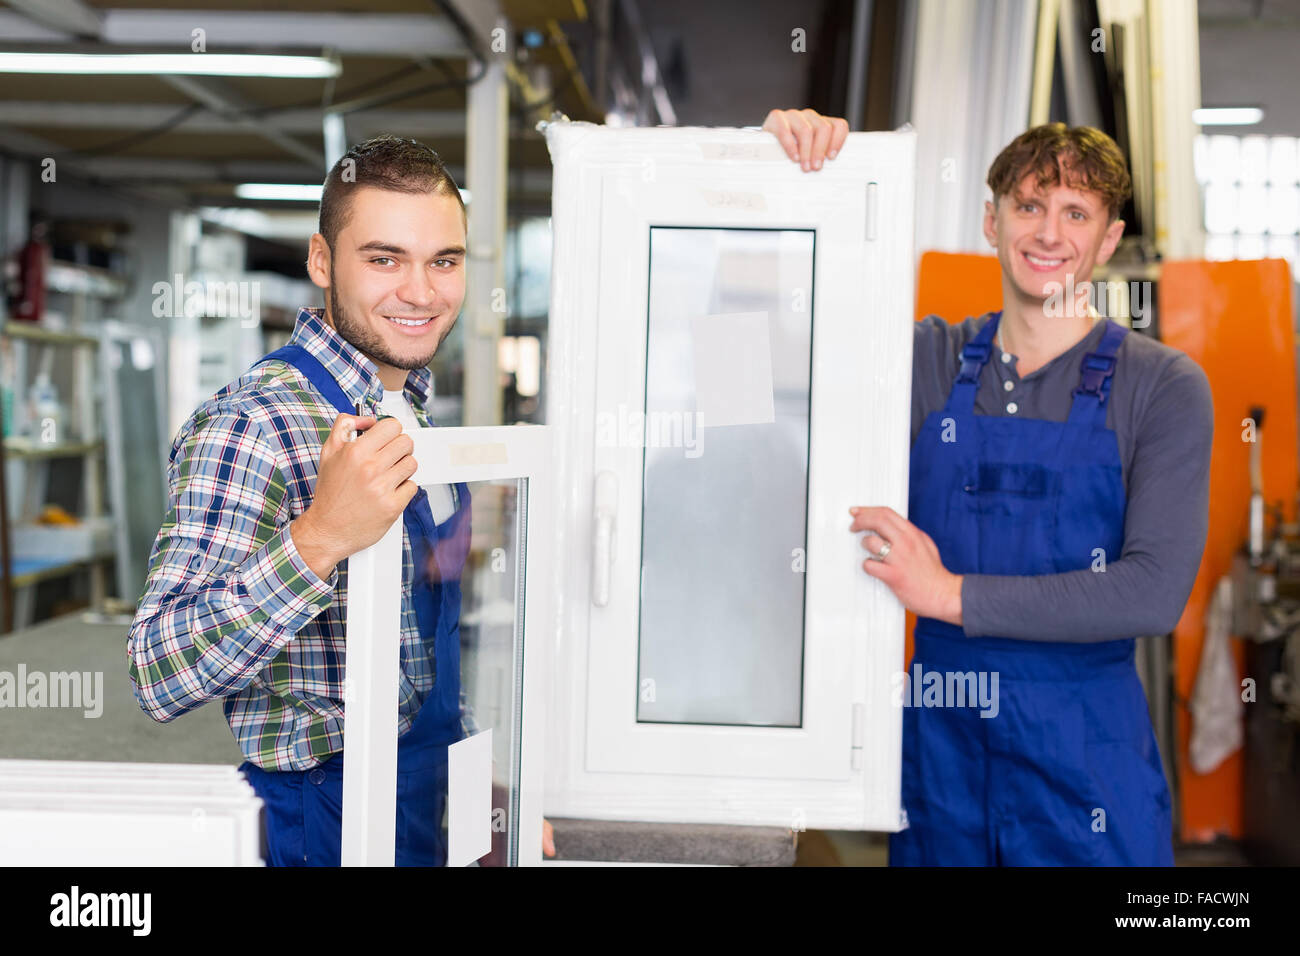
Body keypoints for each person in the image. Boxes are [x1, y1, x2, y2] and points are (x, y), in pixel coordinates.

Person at [762, 109, 1213, 865]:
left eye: (1076, 212)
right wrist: (780, 175)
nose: (1047, 233)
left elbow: (1151, 592)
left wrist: (949, 596)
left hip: (1087, 765)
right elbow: (750, 358)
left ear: (1107, 239)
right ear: (990, 221)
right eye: (1028, 206)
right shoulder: (925, 361)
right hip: (944, 759)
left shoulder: (1161, 385)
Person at [128, 135, 554, 866]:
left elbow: (422, 650)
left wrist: (479, 782)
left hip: (423, 803)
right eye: (384, 259)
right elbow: (158, 671)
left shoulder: (414, 416)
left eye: (443, 261)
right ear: (322, 261)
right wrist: (319, 536)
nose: (421, 292)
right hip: (327, 817)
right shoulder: (253, 423)